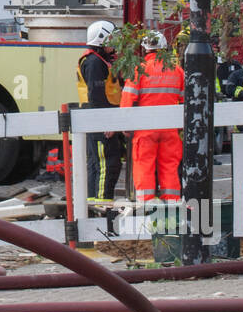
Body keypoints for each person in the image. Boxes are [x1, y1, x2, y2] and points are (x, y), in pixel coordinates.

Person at [119, 31, 184, 203]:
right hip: (170, 129)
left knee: (144, 165)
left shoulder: (139, 70)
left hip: (145, 129)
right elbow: (186, 101)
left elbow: (128, 99)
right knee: (169, 167)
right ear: (164, 48)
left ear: (145, 49)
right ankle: (172, 202)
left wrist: (126, 126)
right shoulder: (176, 70)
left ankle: (146, 203)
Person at [77, 20, 125, 203]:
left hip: (98, 118)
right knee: (107, 164)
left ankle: (93, 202)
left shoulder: (98, 61)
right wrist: (108, 123)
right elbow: (96, 95)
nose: (114, 44)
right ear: (101, 39)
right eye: (111, 40)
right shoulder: (95, 63)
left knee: (97, 164)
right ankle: (102, 204)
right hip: (100, 120)